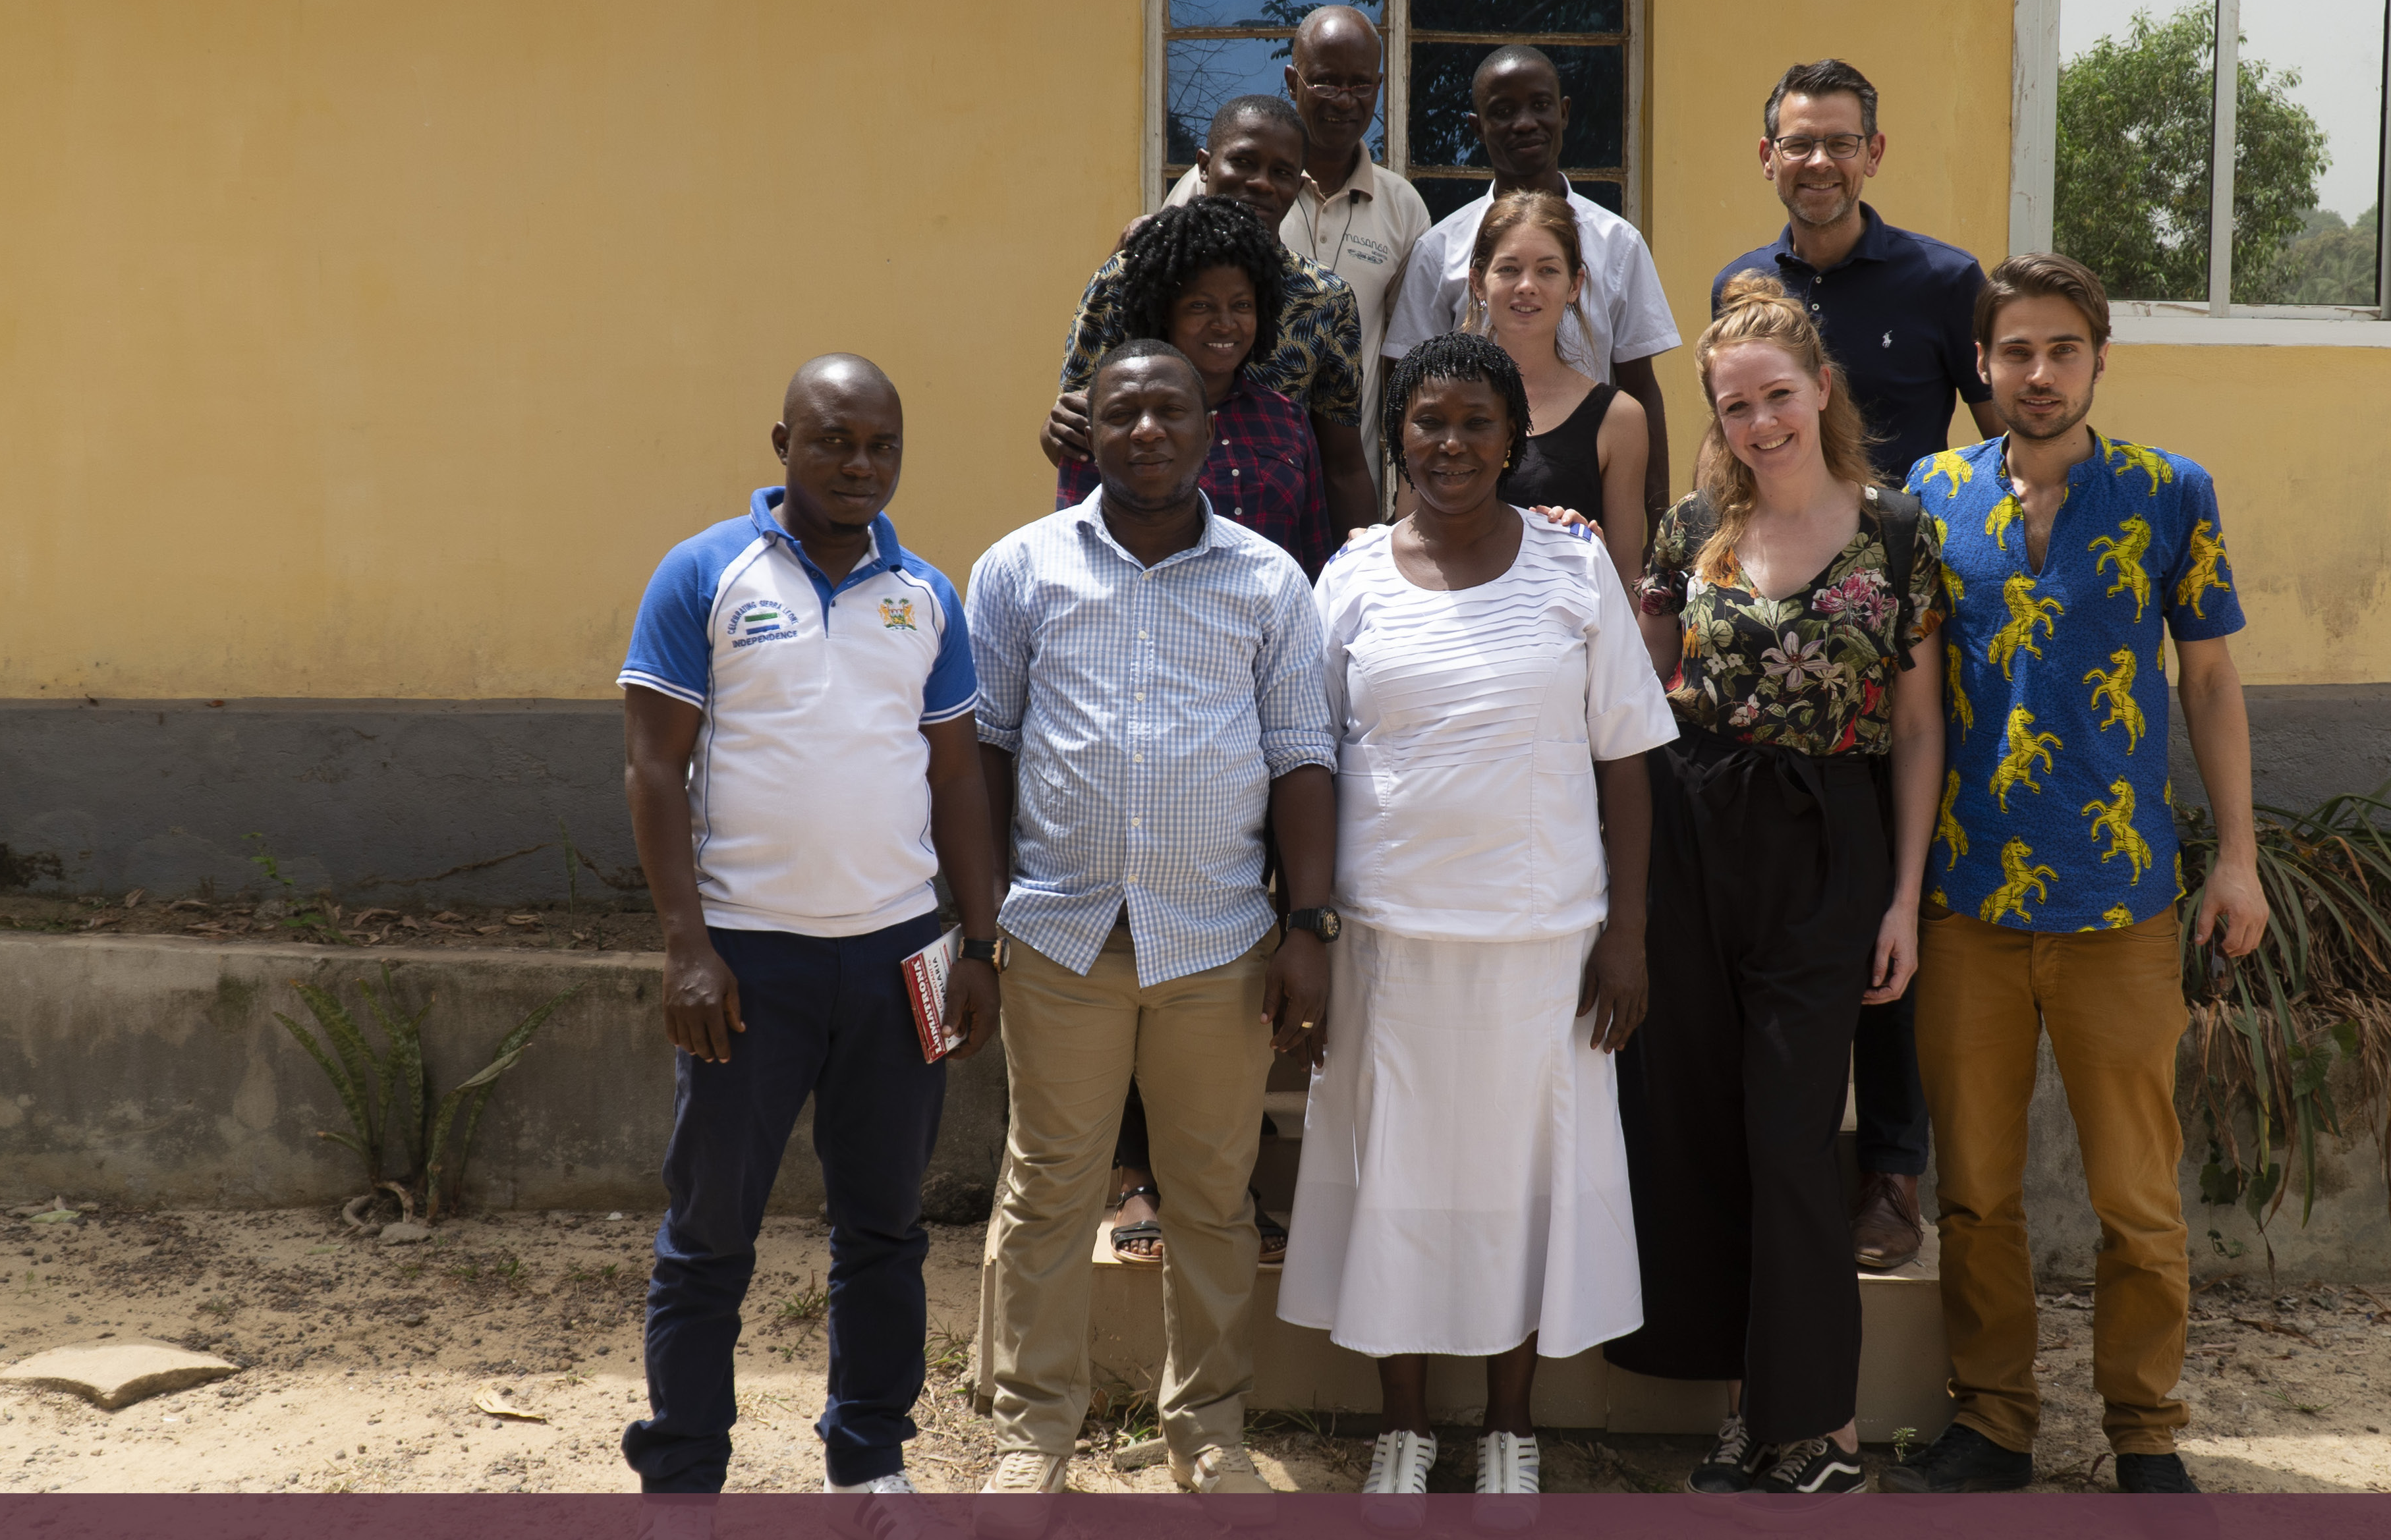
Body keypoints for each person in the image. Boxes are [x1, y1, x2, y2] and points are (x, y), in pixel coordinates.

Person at [1888, 253, 2269, 1497]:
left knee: (2136, 1197)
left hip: (2120, 903)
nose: (2037, 374)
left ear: (2100, 360)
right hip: (1971, 902)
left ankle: (2145, 1427)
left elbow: (2207, 679)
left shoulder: (2170, 493)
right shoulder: (1929, 496)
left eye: (2061, 350)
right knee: (1977, 1194)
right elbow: (1915, 709)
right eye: (2014, 353)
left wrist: (2241, 860)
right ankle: (1993, 1420)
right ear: (1983, 367)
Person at [1278, 332, 1672, 1510]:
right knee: (1397, 1174)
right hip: (1389, 945)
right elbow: (1304, 760)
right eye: (1429, 422)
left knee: (1520, 1182)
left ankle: (1511, 1427)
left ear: (1514, 442)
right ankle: (1404, 1428)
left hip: (1543, 943)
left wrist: (1628, 930)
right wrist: (1302, 926)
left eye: (1476, 425)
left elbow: (1626, 761)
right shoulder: (1345, 576)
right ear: (1397, 433)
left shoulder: (1572, 568)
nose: (1450, 445)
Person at [613, 356, 1007, 1500]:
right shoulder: (704, 574)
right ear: (780, 442)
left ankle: (869, 1462)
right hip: (748, 964)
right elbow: (652, 769)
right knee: (709, 1235)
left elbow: (957, 787)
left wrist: (978, 947)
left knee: (883, 1228)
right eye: (834, 440)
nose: (860, 465)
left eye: (882, 445)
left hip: (898, 962)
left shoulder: (925, 594)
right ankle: (684, 1474)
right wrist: (687, 945)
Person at [968, 340, 1341, 1523]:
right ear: (1092, 430)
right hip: (1061, 938)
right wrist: (977, 927)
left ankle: (1210, 1430)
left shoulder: (1269, 582)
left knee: (1212, 1198)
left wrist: (1308, 922)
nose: (1145, 431)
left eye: (1168, 410)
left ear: (1205, 430)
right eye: (1122, 410)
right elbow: (983, 750)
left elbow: (1301, 756)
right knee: (1048, 1192)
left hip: (1218, 941)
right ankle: (1033, 1433)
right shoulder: (1019, 571)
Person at [1606, 277, 1948, 1499]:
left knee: (1796, 1136)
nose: (1761, 423)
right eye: (1736, 404)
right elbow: (1631, 694)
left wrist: (1902, 900)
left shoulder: (1899, 531)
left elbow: (1917, 731)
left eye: (1779, 396)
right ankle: (1754, 1413)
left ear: (1824, 391)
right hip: (1696, 832)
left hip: (1827, 839)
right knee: (1704, 1125)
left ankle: (1829, 1432)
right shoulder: (1688, 530)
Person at [1708, 59, 1998, 1271]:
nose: (1816, 161)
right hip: (1780, 636)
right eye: (1795, 143)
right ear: (1765, 157)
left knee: (1895, 908)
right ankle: (1748, 1158)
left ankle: (1889, 1171)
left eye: (1838, 141)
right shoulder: (1744, 284)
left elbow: (2002, 448)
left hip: (1901, 628)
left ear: (1875, 152)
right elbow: (1726, 454)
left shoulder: (1943, 284)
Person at [1046, 96, 1380, 540]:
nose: (1260, 183)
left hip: (1268, 533)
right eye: (1243, 162)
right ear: (1204, 166)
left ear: (1299, 185)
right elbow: (1077, 433)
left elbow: (1341, 466)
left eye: (1281, 172)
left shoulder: (1325, 301)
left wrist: (1362, 572)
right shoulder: (1127, 278)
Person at [1385, 45, 1683, 524]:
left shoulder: (1618, 243)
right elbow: (1405, 388)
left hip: (1580, 495)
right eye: (1502, 112)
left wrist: (1657, 528)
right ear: (1476, 127)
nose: (1524, 123)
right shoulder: (1440, 249)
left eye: (1540, 105)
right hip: (1463, 492)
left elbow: (1641, 387)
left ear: (1564, 113)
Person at [1166, 5, 1432, 476]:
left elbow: (1406, 358)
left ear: (1380, 86)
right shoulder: (1219, 185)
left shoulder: (1404, 207)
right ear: (1292, 82)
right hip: (1220, 471)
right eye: (1326, 81)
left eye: (1360, 84)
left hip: (1344, 475)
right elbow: (1150, 296)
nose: (1344, 100)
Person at [1048, 196, 1330, 580]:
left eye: (1243, 305)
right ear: (1164, 311)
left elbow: (1313, 560)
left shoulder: (1286, 420)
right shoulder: (1108, 418)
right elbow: (1072, 554)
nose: (1226, 323)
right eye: (1201, 306)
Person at [1469, 190, 1650, 593]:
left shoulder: (1619, 418)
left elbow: (1625, 586)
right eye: (1509, 269)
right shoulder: (1437, 400)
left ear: (1575, 284)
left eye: (1548, 270)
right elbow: (1411, 532)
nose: (1527, 286)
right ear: (1478, 282)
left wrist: (1594, 554)